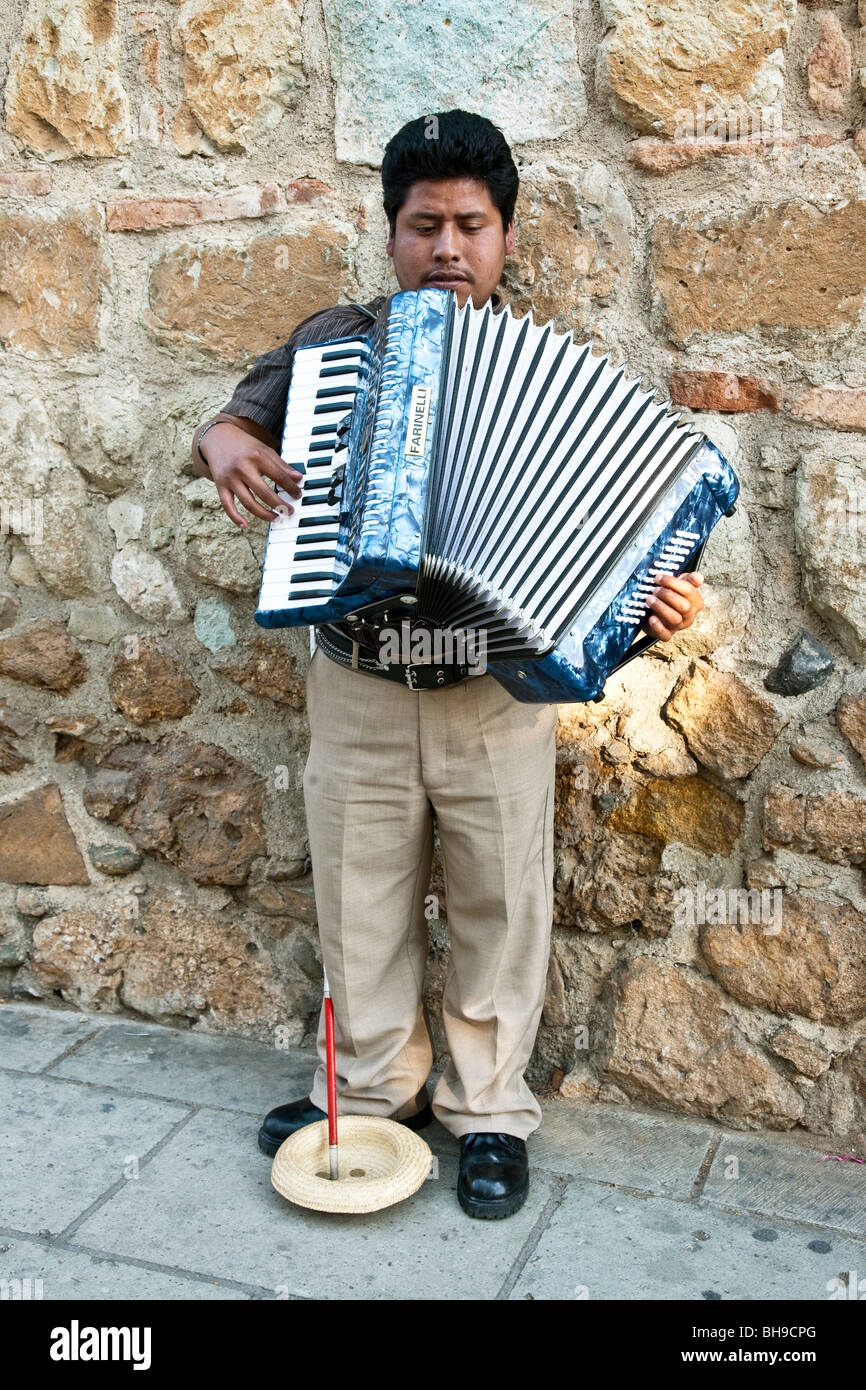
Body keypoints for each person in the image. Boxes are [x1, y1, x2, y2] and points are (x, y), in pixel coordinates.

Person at [190, 110, 706, 1220]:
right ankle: (375, 1090)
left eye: (470, 225)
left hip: (488, 691)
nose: (446, 248)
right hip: (358, 678)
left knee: (498, 904)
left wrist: (655, 605)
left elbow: (619, 551)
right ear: (389, 236)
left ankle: (484, 1111)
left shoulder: (557, 380)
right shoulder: (333, 341)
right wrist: (227, 443)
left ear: (504, 238)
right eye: (423, 224)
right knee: (358, 896)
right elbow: (231, 425)